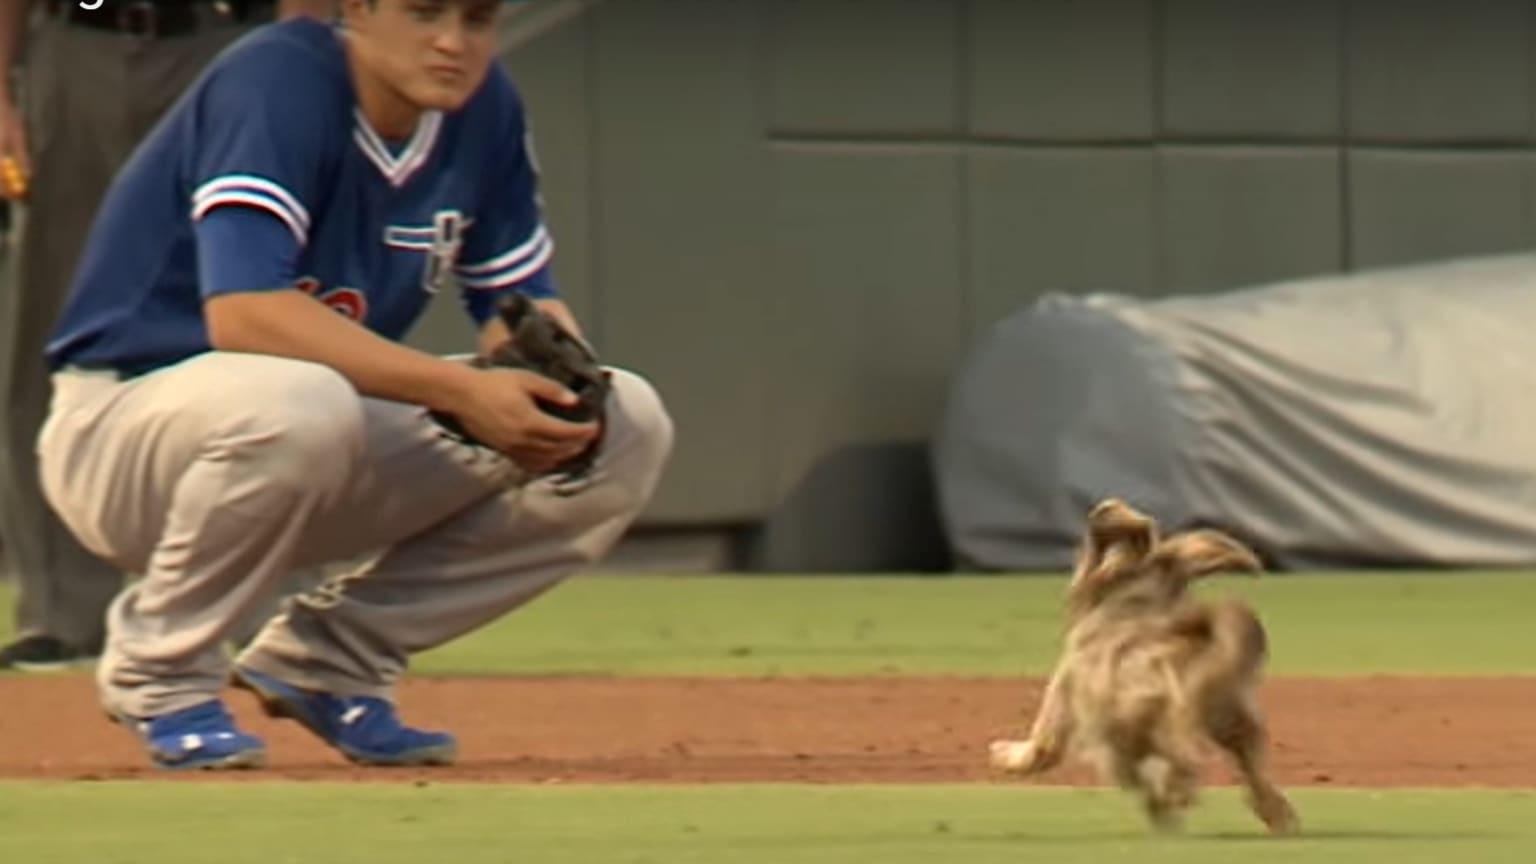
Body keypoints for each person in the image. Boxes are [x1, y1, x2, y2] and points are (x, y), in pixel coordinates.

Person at [34, 0, 674, 770]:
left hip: (301, 446)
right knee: (300, 400)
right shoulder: (281, 78)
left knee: (627, 421)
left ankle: (328, 660)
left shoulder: (483, 106)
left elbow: (517, 300)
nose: (452, 41)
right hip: (126, 427)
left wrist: (558, 383)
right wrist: (458, 391)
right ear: (360, 9)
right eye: (425, 12)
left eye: (476, 18)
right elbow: (248, 315)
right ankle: (162, 676)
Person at [0, 0, 336, 671]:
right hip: (77, 47)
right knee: (54, 329)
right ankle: (64, 612)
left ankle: (278, 607)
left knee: (257, 315)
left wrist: (306, 65)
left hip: (231, 39)